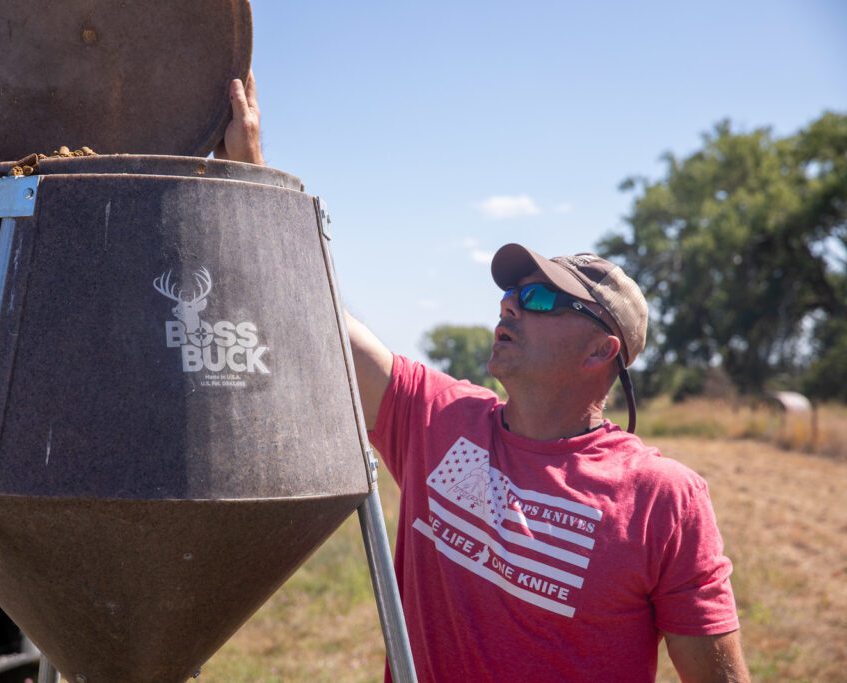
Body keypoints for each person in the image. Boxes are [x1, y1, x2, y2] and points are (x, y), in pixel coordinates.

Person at [218, 72, 749, 682]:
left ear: (601, 352)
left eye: (542, 300)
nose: (510, 306)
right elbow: (316, 319)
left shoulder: (662, 500)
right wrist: (254, 186)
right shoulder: (439, 420)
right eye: (512, 294)